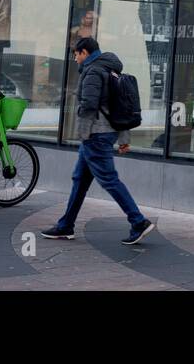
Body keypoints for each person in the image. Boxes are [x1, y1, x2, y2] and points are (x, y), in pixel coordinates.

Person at [41, 37, 155, 246]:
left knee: (109, 179)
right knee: (80, 179)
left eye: (76, 54)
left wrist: (82, 132)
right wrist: (124, 137)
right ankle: (66, 225)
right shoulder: (111, 68)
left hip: (95, 135)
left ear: (85, 52)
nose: (75, 58)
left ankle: (138, 222)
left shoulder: (93, 71)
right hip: (105, 133)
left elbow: (89, 105)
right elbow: (120, 105)